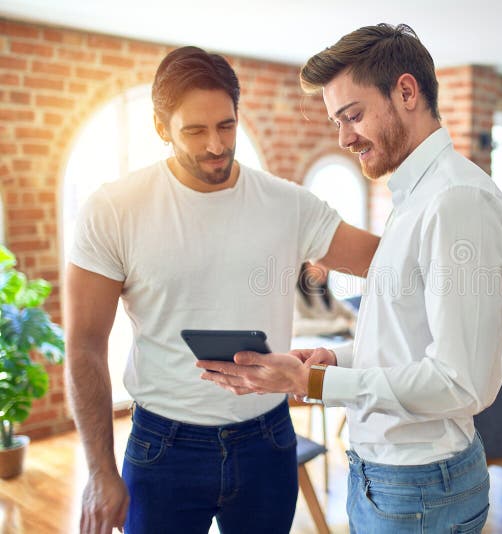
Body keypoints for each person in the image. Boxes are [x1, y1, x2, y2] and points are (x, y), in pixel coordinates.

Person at [198, 23, 502, 533]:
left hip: (420, 487)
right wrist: (336, 359)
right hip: (390, 478)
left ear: (407, 92)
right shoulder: (415, 198)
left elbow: (462, 383)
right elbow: (409, 342)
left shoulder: (457, 202)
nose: (345, 137)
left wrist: (317, 381)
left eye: (353, 116)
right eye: (337, 121)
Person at [64, 46, 379, 534]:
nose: (215, 145)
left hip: (267, 439)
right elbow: (84, 344)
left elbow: (384, 262)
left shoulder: (285, 203)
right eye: (194, 130)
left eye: (226, 126)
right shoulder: (114, 209)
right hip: (162, 448)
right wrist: (100, 471)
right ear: (160, 127)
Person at [293, 261, 356, 337]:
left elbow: (349, 313)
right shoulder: (295, 292)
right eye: (322, 264)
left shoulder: (323, 289)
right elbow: (297, 326)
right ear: (307, 264)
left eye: (328, 266)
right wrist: (339, 325)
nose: (326, 269)